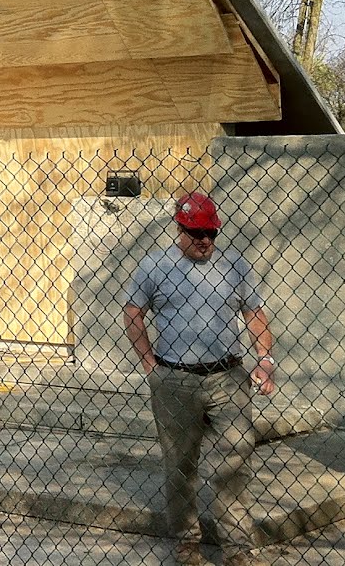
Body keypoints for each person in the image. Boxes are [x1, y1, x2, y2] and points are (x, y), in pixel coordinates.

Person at [123, 191, 275, 566]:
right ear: (179, 228)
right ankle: (186, 543)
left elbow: (255, 314)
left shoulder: (234, 266)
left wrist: (265, 359)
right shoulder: (154, 267)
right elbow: (132, 313)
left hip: (228, 377)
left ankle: (238, 549)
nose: (205, 241)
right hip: (175, 379)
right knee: (180, 464)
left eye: (211, 233)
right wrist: (149, 365)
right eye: (196, 233)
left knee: (235, 460)